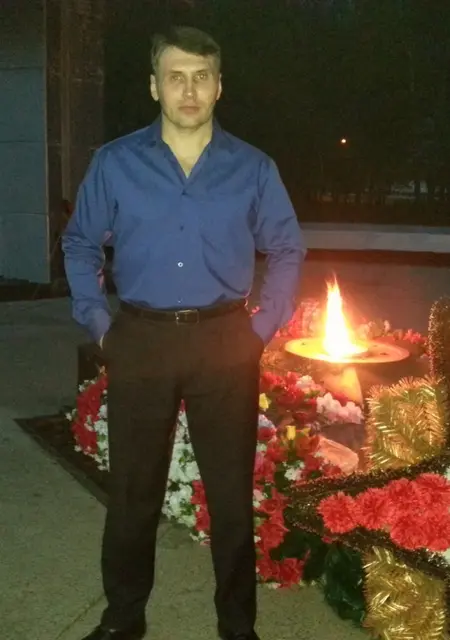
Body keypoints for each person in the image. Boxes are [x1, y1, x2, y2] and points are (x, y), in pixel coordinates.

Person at [63, 25, 306, 640]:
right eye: (176, 77)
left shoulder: (252, 168)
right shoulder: (116, 163)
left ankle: (237, 626)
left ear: (219, 86)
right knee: (131, 494)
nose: (189, 90)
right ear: (154, 85)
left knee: (230, 497)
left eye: (201, 77)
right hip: (141, 339)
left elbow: (286, 248)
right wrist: (100, 325)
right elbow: (80, 242)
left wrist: (260, 330)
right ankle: (124, 619)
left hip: (225, 341)